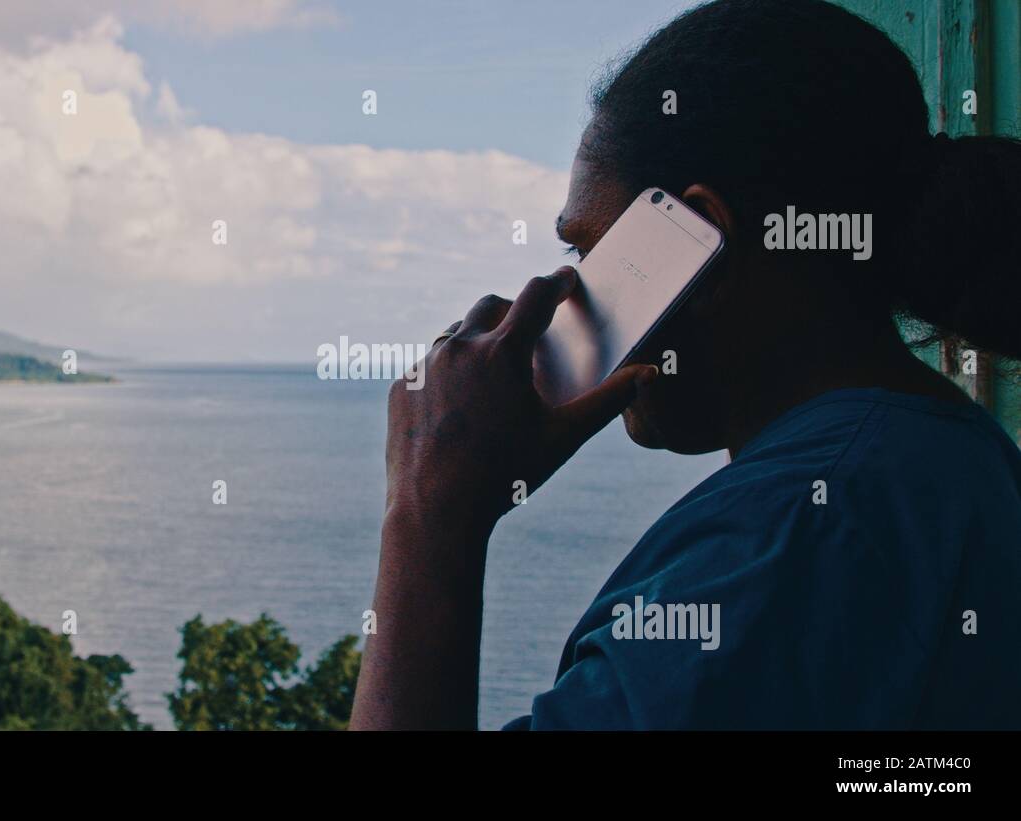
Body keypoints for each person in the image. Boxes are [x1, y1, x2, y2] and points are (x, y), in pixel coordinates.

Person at [349, 0, 1021, 730]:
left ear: (699, 244)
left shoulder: (786, 541)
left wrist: (427, 511)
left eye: (587, 252)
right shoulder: (950, 462)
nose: (572, 294)